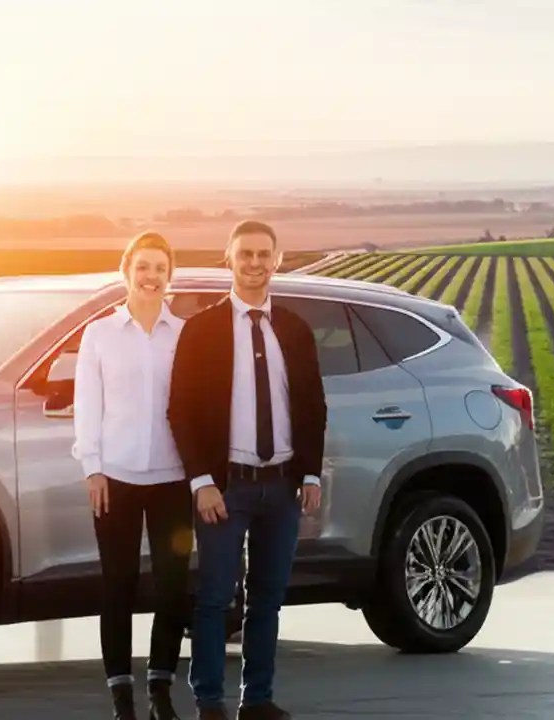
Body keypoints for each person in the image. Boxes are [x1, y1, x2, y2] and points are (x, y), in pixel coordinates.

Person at [167, 220, 327, 720]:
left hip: (281, 487)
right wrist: (201, 481)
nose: (254, 263)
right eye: (245, 255)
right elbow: (181, 410)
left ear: (277, 260)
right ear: (229, 260)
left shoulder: (295, 330)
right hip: (225, 488)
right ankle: (209, 702)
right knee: (215, 599)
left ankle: (257, 699)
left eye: (263, 255)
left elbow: (312, 406)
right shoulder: (202, 330)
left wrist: (310, 474)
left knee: (268, 601)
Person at [73, 231, 194, 720]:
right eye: (142, 267)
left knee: (172, 586)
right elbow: (87, 406)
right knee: (118, 584)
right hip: (115, 480)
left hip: (172, 481)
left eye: (160, 269)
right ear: (126, 271)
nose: (151, 277)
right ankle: (121, 693)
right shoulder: (99, 336)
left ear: (170, 277)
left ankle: (160, 687)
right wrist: (92, 468)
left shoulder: (184, 335)